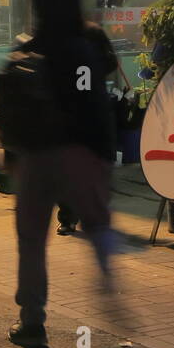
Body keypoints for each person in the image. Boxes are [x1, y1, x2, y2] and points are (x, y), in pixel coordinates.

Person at [7, 0, 117, 348]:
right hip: (80, 155)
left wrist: (14, 155)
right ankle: (108, 285)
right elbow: (95, 107)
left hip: (36, 159)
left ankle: (32, 319)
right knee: (98, 225)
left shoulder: (29, 49)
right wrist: (104, 155)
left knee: (32, 240)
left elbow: (10, 110)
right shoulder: (81, 49)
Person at [57, 21, 119, 236]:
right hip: (94, 115)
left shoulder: (62, 43)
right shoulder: (96, 42)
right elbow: (112, 63)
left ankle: (68, 219)